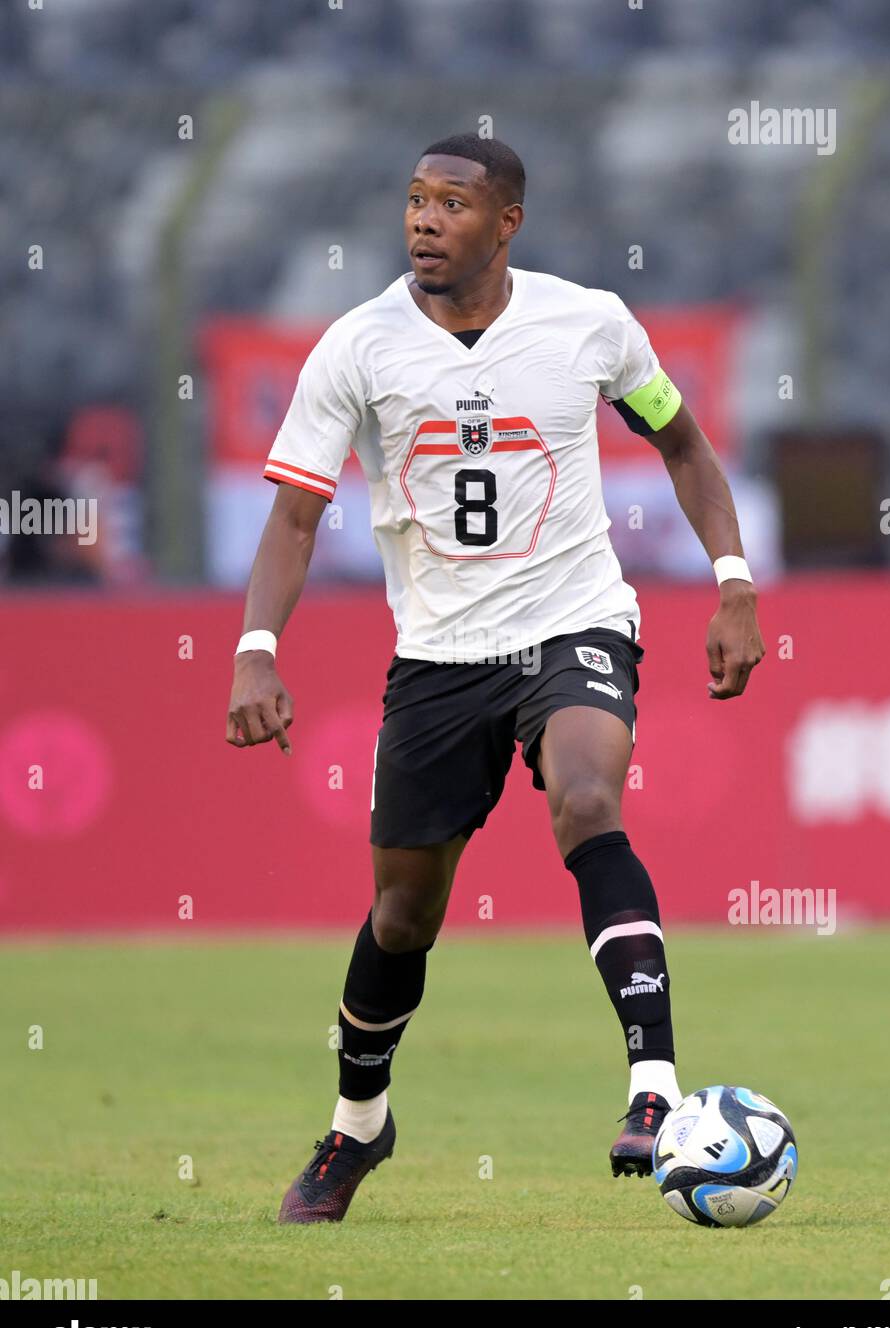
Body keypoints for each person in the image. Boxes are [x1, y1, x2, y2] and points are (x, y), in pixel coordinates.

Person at [226, 133, 765, 1224]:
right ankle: (358, 1129)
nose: (424, 221)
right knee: (401, 913)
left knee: (586, 800)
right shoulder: (356, 347)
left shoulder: (588, 322)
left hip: (573, 623)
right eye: (414, 201)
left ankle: (652, 1090)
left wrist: (733, 580)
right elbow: (293, 516)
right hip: (436, 657)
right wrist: (254, 649)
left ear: (505, 222)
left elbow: (684, 445)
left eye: (450, 205)